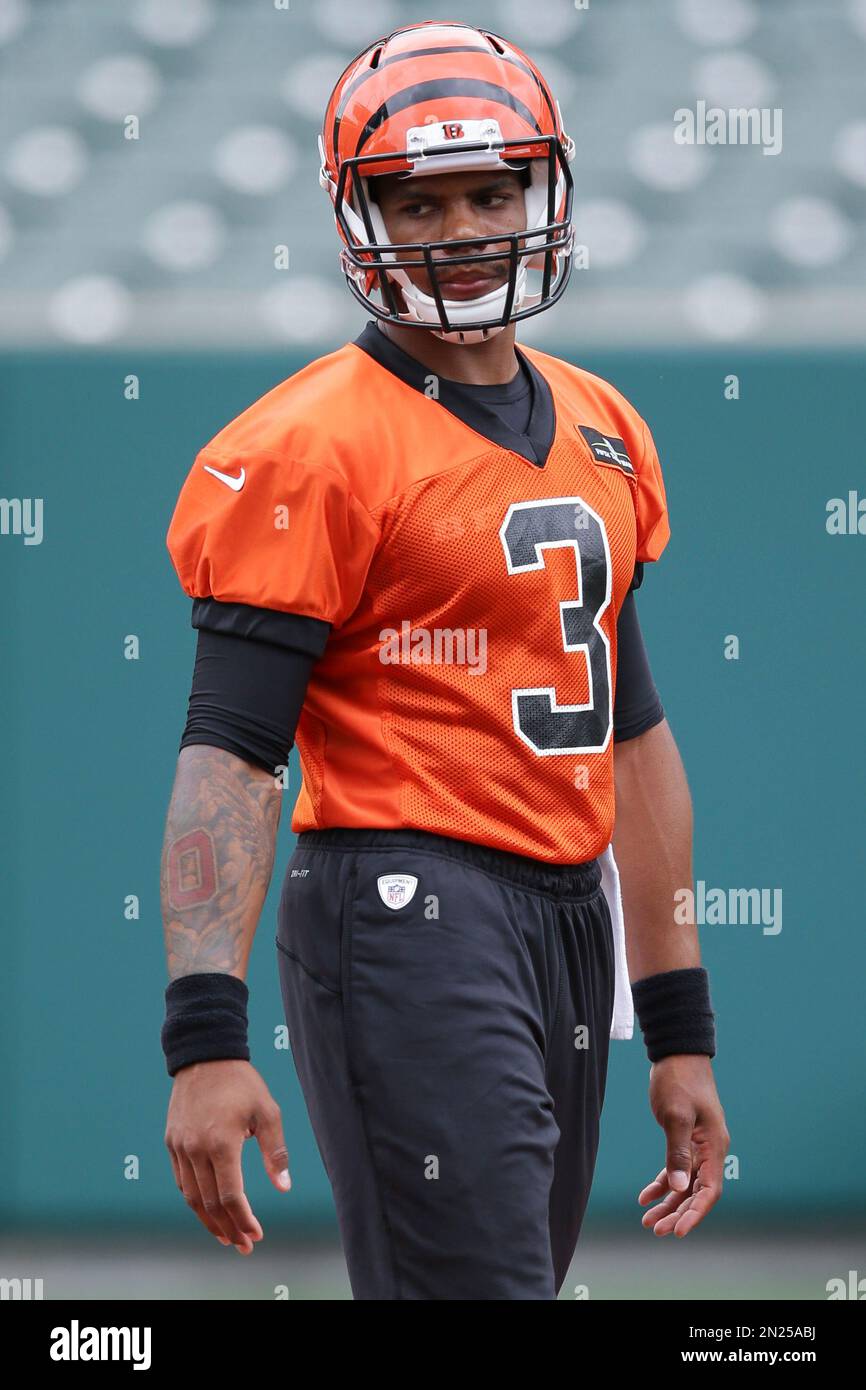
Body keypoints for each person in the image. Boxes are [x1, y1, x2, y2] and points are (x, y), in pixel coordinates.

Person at [160, 20, 729, 1300]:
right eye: (418, 203)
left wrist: (678, 1025)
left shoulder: (601, 423)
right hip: (404, 904)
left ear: (542, 188)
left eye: (490, 190)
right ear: (363, 219)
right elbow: (232, 755)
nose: (463, 226)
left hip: (564, 911)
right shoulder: (309, 445)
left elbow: (629, 739)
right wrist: (202, 1032)